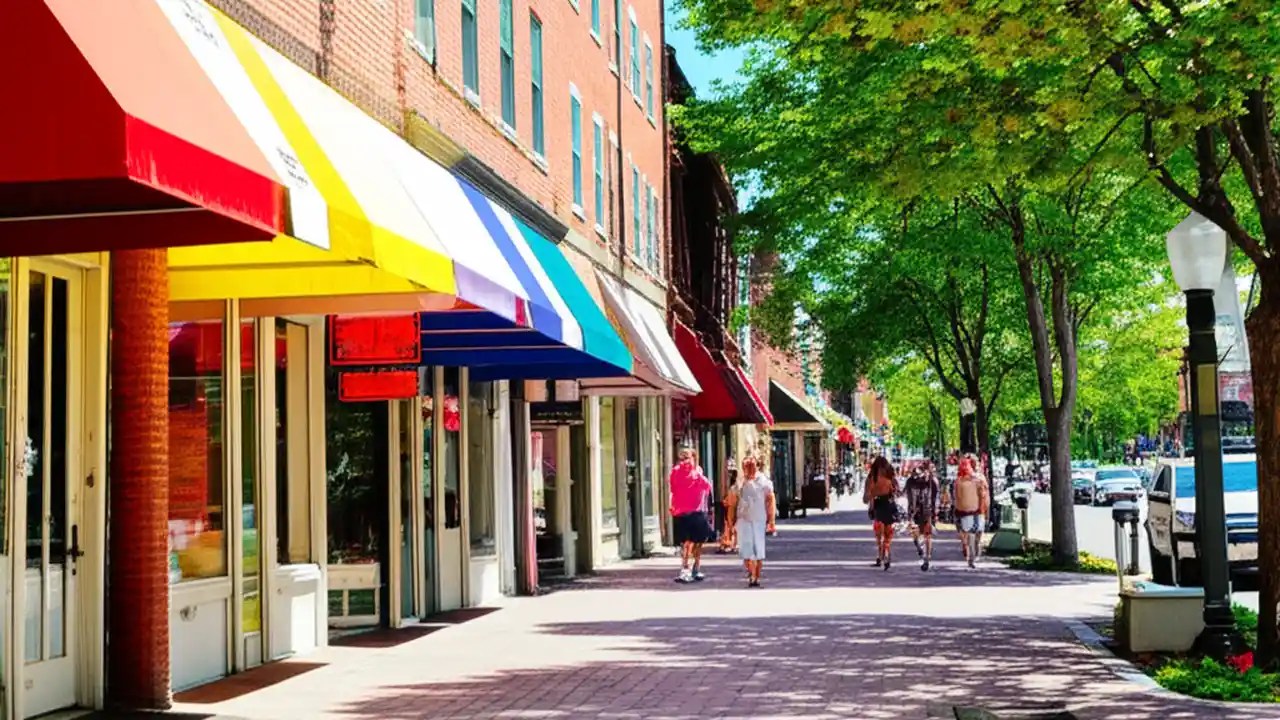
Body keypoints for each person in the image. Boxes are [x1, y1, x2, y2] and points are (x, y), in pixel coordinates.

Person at [669, 446, 714, 583]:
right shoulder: (675, 472)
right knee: (686, 542)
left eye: (687, 457)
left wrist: (698, 474)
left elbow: (707, 487)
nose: (685, 461)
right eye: (682, 458)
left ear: (693, 459)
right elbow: (672, 489)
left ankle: (696, 567)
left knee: (698, 542)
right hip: (682, 512)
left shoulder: (697, 473)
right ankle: (685, 568)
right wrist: (671, 504)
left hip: (697, 511)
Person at [736, 453, 776, 587]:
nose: (748, 469)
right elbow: (733, 500)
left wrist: (771, 521)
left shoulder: (764, 482)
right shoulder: (740, 482)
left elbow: (770, 501)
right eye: (746, 466)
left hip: (758, 520)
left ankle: (756, 577)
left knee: (758, 551)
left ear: (757, 466)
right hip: (743, 520)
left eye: (751, 466)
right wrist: (729, 524)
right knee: (746, 551)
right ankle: (750, 571)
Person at [953, 454, 990, 568]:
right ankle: (972, 556)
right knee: (973, 534)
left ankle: (972, 552)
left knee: (974, 534)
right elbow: (984, 495)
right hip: (974, 511)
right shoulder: (970, 480)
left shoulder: (977, 479)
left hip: (974, 511)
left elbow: (984, 494)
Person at [862, 456, 900, 570]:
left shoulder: (871, 478)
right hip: (889, 505)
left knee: (879, 534)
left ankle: (880, 556)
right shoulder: (890, 477)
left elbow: (865, 498)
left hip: (877, 506)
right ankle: (887, 551)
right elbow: (897, 492)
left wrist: (872, 494)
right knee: (888, 534)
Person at [904, 462, 941, 571]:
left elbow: (909, 496)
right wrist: (936, 513)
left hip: (916, 511)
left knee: (919, 533)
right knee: (927, 536)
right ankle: (926, 558)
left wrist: (910, 511)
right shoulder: (932, 481)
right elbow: (935, 498)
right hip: (927, 511)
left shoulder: (910, 481)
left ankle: (920, 548)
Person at [719, 462, 741, 554]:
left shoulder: (736, 486)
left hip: (735, 507)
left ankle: (735, 544)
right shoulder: (730, 485)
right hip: (729, 507)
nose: (730, 474)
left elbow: (738, 496)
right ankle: (729, 543)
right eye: (729, 472)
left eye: (732, 472)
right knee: (728, 526)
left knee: (734, 526)